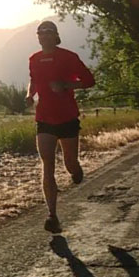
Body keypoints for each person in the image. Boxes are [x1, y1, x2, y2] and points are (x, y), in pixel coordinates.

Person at [26, 20, 95, 233]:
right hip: (44, 119)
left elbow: (89, 81)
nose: (44, 36)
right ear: (38, 37)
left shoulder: (68, 57)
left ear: (56, 36)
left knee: (69, 163)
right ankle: (52, 216)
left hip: (67, 118)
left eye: (48, 32)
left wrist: (65, 85)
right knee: (47, 164)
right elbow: (33, 81)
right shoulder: (34, 59)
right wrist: (29, 95)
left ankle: (76, 170)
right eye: (40, 33)